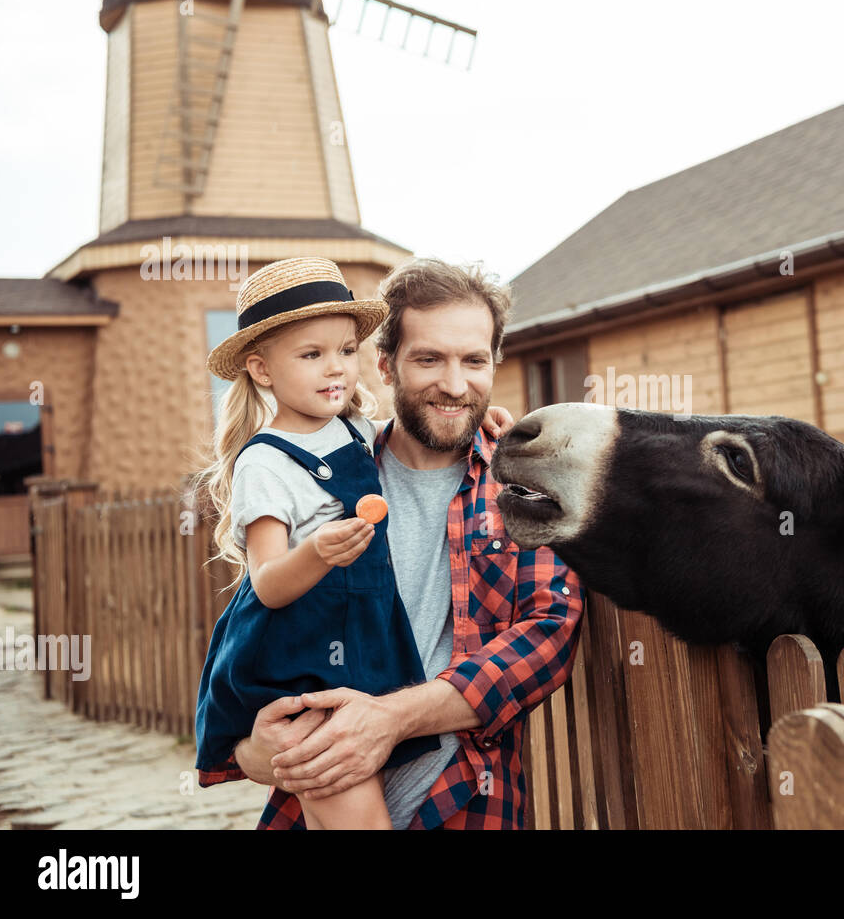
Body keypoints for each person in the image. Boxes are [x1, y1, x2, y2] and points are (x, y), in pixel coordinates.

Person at [198, 256, 585, 829]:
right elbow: (261, 632)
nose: (455, 385)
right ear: (383, 363)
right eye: (428, 358)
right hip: (318, 792)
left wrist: (388, 719)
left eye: (474, 360)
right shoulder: (323, 475)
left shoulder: (522, 492)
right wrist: (253, 751)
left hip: (465, 802)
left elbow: (548, 635)